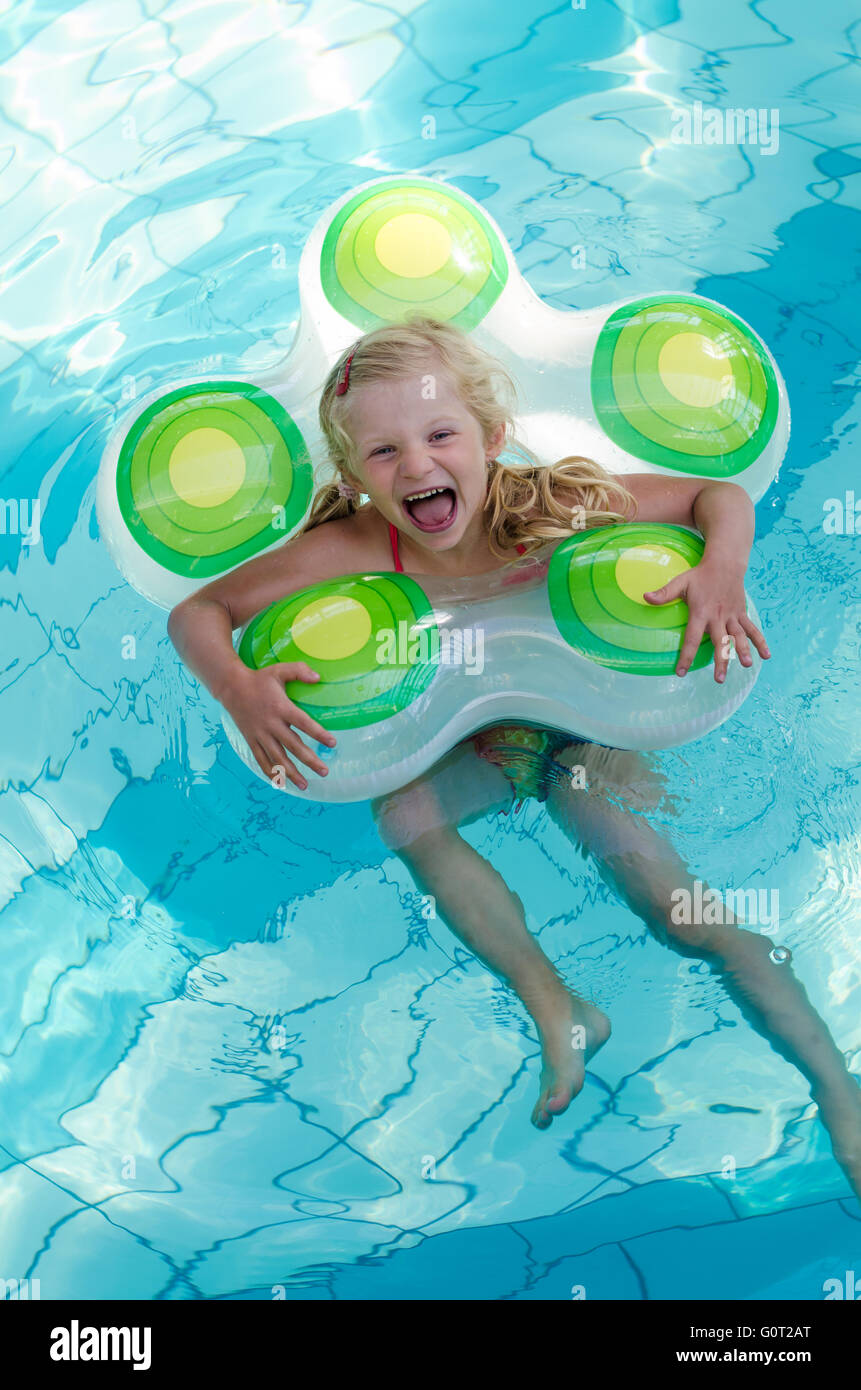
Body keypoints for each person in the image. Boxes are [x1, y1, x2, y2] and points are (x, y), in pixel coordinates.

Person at [168, 316, 861, 1196]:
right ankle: (555, 1001)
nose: (416, 467)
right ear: (354, 478)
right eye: (383, 453)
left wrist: (720, 570)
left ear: (490, 440)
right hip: (468, 747)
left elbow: (715, 495)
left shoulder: (552, 506)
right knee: (406, 816)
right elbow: (196, 614)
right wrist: (239, 687)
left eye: (440, 436)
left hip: (583, 737)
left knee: (681, 916)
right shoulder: (348, 548)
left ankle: (838, 1090)